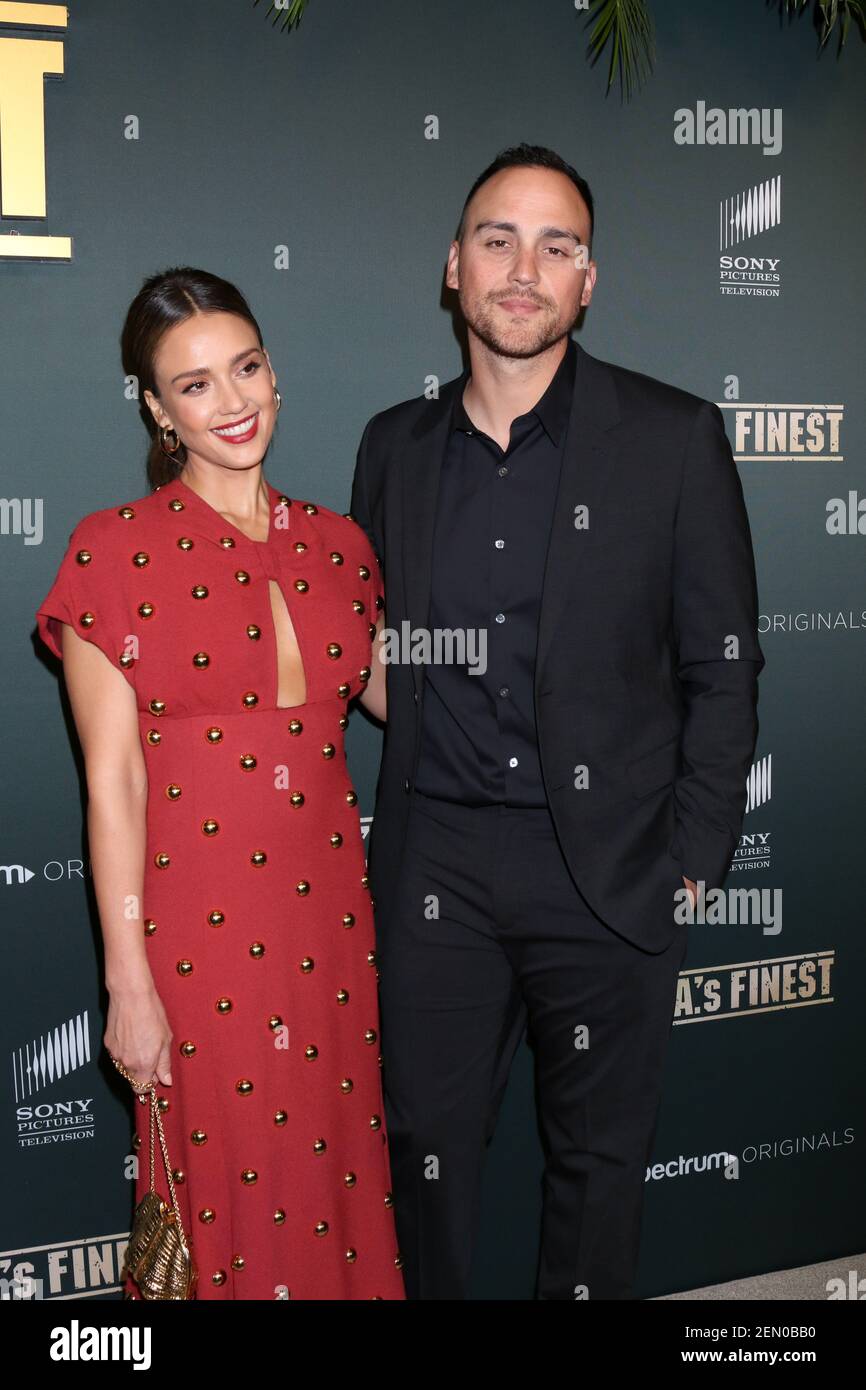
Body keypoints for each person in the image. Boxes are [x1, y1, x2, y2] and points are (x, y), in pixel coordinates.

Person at [350, 144, 764, 1300]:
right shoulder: (393, 446)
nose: (522, 268)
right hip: (437, 867)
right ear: (452, 266)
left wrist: (692, 857)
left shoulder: (671, 438)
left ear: (590, 280)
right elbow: (380, 654)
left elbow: (722, 663)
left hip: (606, 869)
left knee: (597, 1172)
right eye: (497, 238)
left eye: (556, 245)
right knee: (424, 1166)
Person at [35, 267, 405, 1301]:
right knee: (231, 1201)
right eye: (193, 385)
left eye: (245, 367)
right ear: (155, 408)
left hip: (330, 923)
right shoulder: (110, 552)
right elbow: (108, 784)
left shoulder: (341, 545)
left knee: (336, 1176)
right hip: (196, 937)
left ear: (274, 372)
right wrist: (128, 980)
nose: (232, 402)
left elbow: (410, 708)